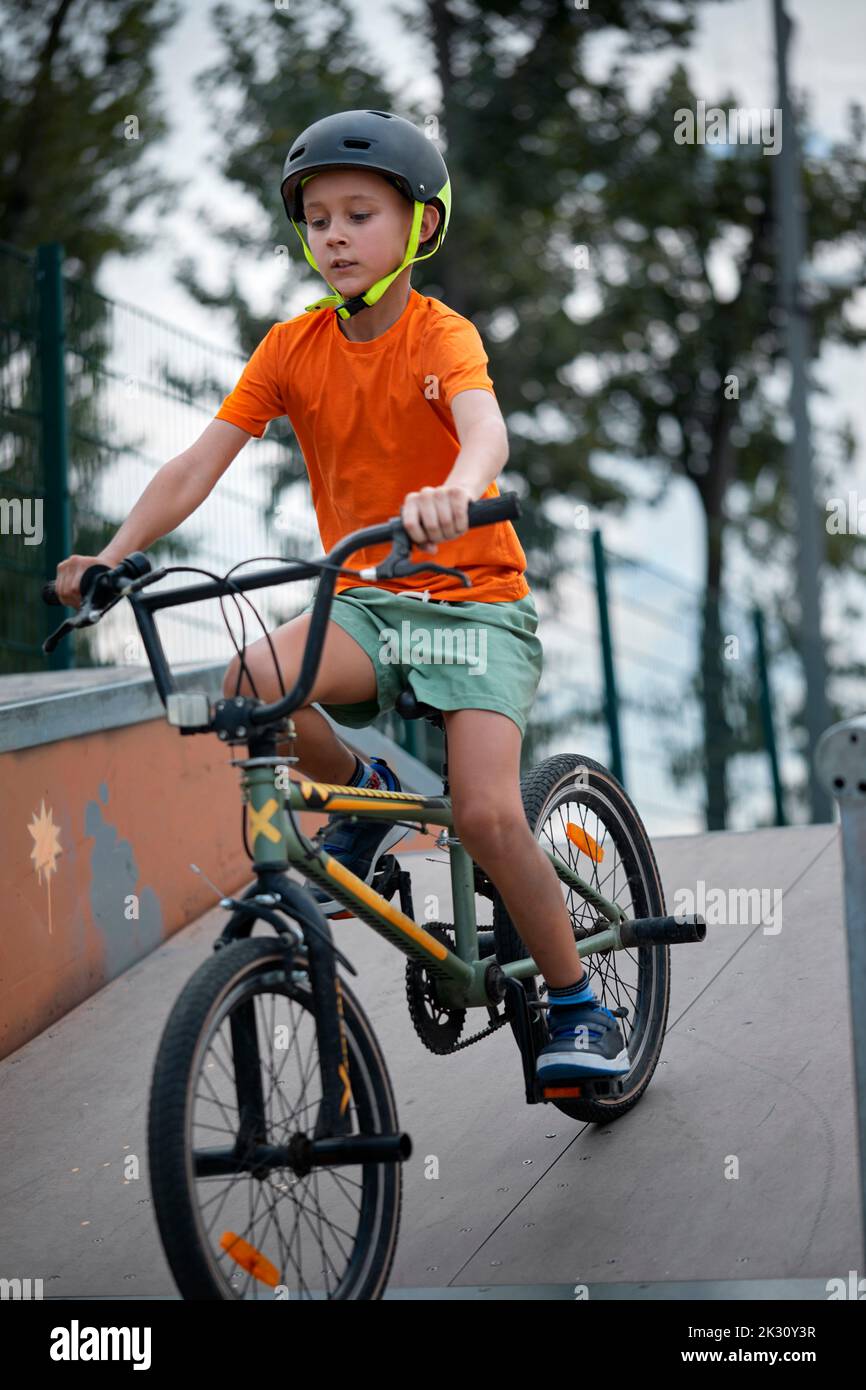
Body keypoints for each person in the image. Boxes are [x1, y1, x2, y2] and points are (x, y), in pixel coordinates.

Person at [52, 108, 628, 1084]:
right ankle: (369, 791)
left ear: (419, 226)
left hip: (473, 611)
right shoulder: (292, 347)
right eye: (316, 218)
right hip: (364, 605)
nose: (332, 235)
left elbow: (484, 429)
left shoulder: (440, 336)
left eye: (358, 214)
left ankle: (578, 1006)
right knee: (250, 683)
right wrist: (110, 553)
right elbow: (200, 462)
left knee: (489, 818)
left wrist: (461, 485)